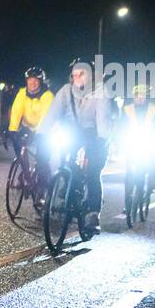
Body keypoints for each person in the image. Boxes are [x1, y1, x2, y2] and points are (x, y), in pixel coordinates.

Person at [36, 57, 116, 232]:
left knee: (93, 172)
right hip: (72, 132)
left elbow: (103, 120)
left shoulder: (101, 92)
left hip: (95, 135)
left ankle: (93, 214)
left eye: (81, 74)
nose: (77, 78)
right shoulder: (66, 91)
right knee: (65, 161)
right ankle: (66, 189)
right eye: (74, 75)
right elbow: (52, 115)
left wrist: (101, 140)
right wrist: (40, 134)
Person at [121, 84, 155, 193]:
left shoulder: (154, 109)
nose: (140, 98)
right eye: (137, 96)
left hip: (148, 140)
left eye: (143, 96)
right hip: (132, 141)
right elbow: (121, 126)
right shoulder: (127, 109)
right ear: (133, 97)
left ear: (147, 98)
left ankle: (153, 180)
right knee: (129, 171)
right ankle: (127, 203)